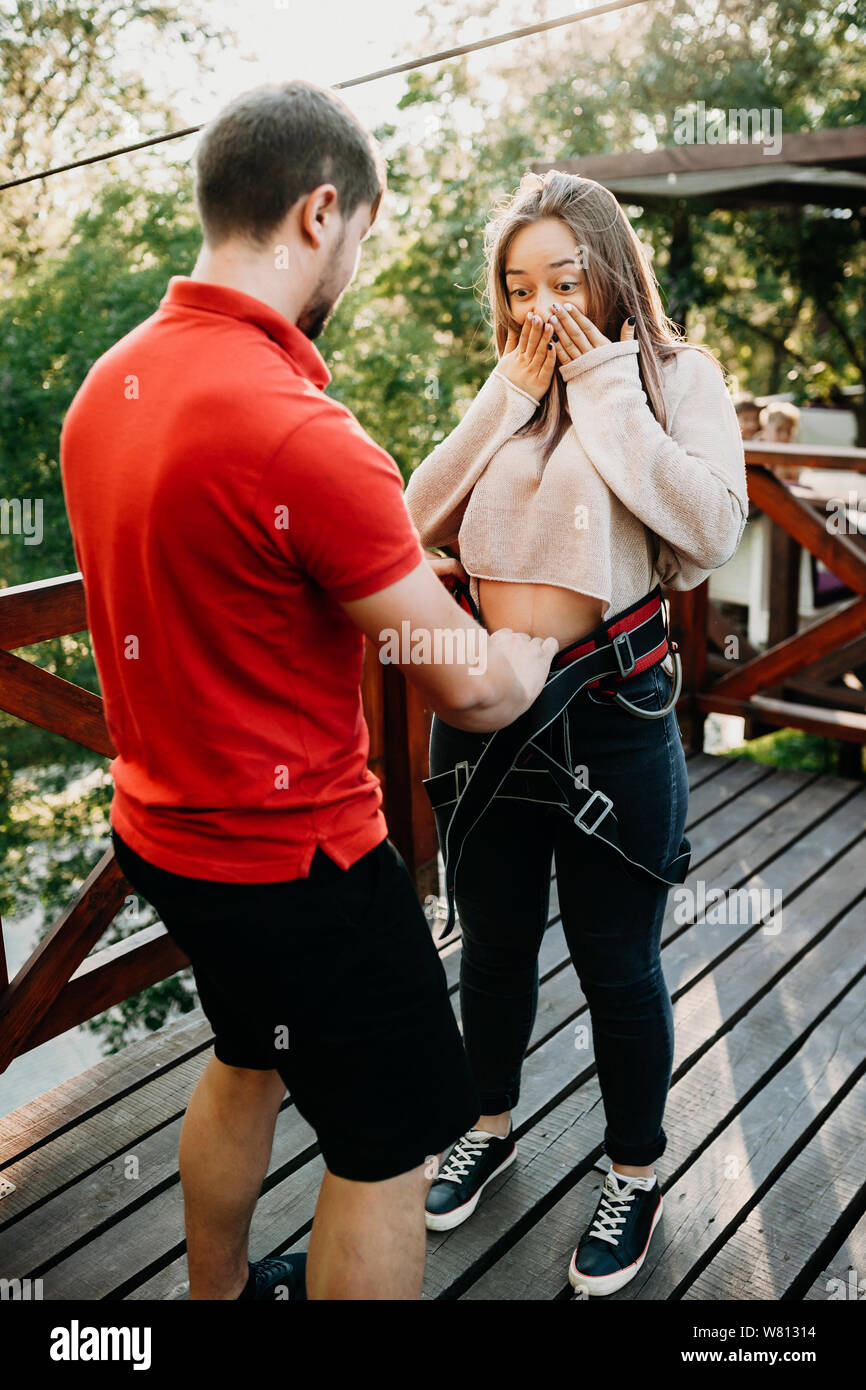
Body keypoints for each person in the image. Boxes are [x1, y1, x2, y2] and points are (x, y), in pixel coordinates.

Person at [59, 80, 559, 1302]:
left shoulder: (106, 392)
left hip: (165, 838)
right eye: (368, 235)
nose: (360, 265)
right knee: (388, 1153)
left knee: (247, 1059)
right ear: (322, 211)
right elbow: (476, 696)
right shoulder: (301, 432)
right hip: (301, 868)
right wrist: (535, 629)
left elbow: (235, 584)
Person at [404, 170, 749, 1296]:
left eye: (564, 278)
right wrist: (504, 396)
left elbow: (706, 530)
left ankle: (633, 1171)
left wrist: (606, 391)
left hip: (611, 715)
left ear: (607, 271)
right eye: (518, 284)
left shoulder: (673, 374)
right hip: (487, 721)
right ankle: (486, 1121)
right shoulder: (507, 380)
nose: (542, 304)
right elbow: (408, 524)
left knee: (615, 961)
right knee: (493, 948)